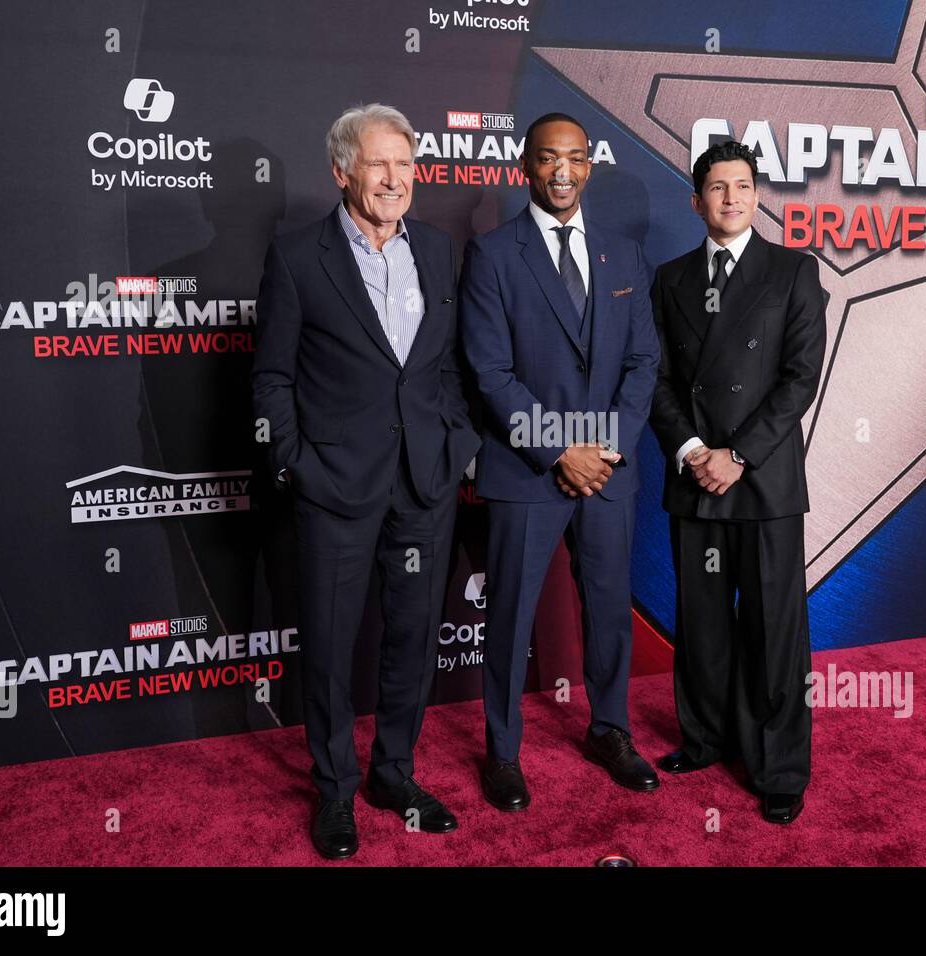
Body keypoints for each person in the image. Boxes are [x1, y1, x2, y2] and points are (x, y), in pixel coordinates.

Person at [251, 103, 480, 859]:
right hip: (336, 489)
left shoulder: (441, 252)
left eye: (405, 165)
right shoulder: (297, 257)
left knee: (412, 641)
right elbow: (273, 377)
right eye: (378, 164)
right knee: (328, 646)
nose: (395, 179)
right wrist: (295, 462)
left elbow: (445, 366)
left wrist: (456, 443)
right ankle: (335, 791)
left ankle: (394, 775)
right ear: (342, 170)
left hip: (424, 484)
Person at [459, 112, 661, 811]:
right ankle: (503, 752)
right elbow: (489, 372)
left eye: (575, 157)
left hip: (608, 469)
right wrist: (559, 450)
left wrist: (604, 450)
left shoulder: (622, 254)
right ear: (526, 167)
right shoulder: (492, 255)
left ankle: (611, 730)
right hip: (527, 469)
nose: (564, 171)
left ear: (589, 166)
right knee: (511, 614)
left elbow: (642, 364)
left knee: (608, 609)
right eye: (549, 158)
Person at [647, 140, 826, 824]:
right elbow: (657, 379)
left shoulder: (792, 271)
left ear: (756, 195)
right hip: (696, 476)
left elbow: (799, 378)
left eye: (742, 185)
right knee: (700, 623)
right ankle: (703, 739)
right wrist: (695, 450)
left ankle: (780, 767)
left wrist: (738, 454)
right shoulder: (669, 280)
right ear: (696, 202)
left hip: (764, 479)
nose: (731, 198)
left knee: (775, 627)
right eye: (717, 187)